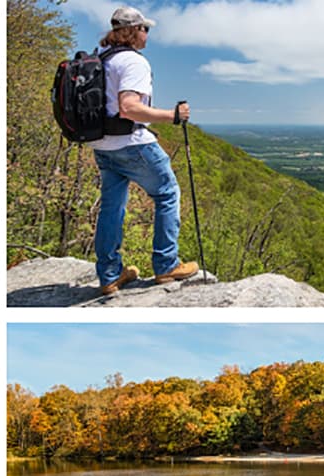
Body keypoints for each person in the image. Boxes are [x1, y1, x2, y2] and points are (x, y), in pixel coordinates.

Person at [89, 6, 198, 295]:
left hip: (103, 145)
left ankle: (110, 276)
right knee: (167, 193)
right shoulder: (133, 62)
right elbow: (129, 108)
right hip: (132, 144)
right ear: (134, 31)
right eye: (145, 28)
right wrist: (173, 116)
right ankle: (166, 266)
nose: (147, 34)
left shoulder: (102, 58)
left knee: (112, 207)